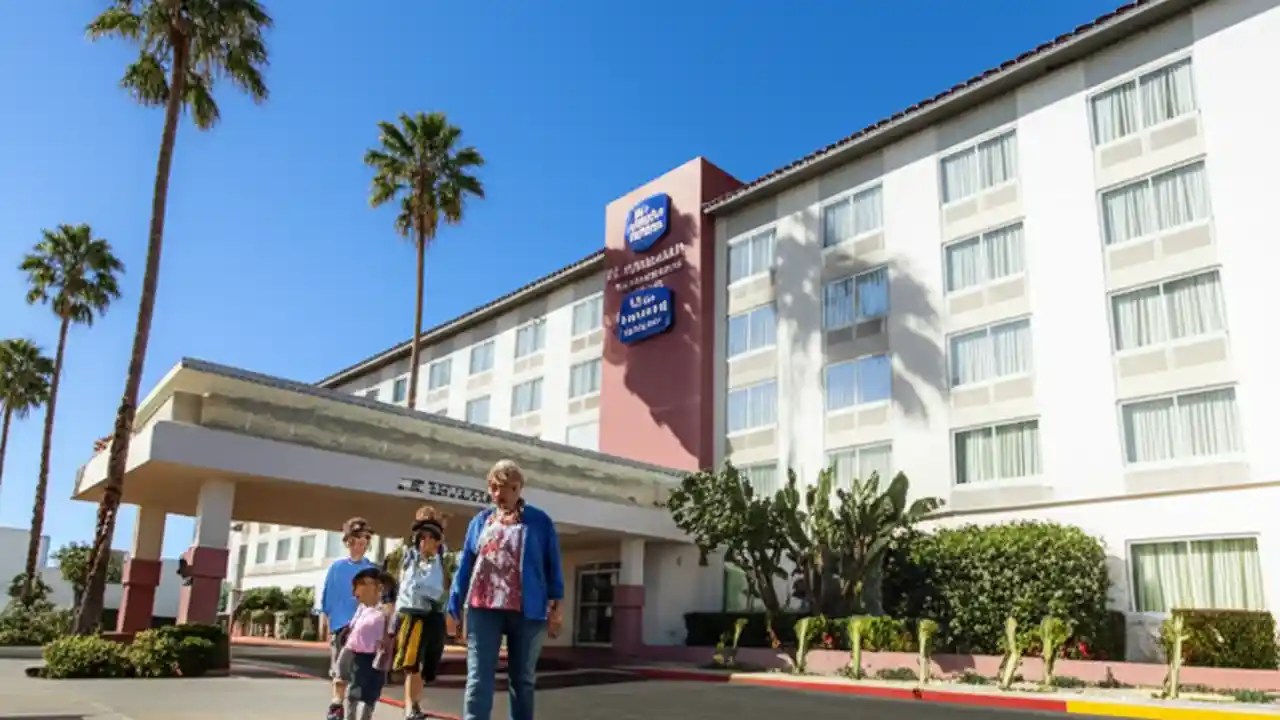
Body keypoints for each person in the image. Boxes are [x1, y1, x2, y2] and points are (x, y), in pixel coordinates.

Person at [449, 459, 565, 720]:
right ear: (490, 489)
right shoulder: (480, 521)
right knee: (478, 678)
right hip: (483, 609)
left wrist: (556, 604)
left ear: (519, 488)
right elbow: (466, 565)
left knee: (522, 679)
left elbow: (552, 564)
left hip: (527, 610)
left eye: (508, 487)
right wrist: (454, 604)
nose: (501, 494)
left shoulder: (539, 522)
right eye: (495, 487)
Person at [391, 505, 453, 720]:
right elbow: (399, 583)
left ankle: (416, 700)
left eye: (431, 536)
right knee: (412, 663)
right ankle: (411, 706)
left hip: (435, 615)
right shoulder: (407, 556)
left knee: (429, 664)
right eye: (422, 536)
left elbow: (448, 587)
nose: (426, 540)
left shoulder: (445, 560)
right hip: (413, 612)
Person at [320, 517, 380, 720]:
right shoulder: (336, 568)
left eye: (365, 541)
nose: (361, 545)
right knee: (340, 670)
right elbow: (326, 600)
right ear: (348, 542)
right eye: (357, 541)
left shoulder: (372, 570)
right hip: (341, 627)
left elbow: (378, 602)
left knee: (361, 674)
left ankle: (360, 713)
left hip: (364, 629)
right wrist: (328, 624)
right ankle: (336, 707)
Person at [337, 566, 394, 720]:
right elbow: (352, 632)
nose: (356, 594)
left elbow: (391, 633)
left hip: (376, 657)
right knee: (354, 693)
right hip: (357, 655)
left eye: (359, 586)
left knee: (371, 693)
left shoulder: (386, 610)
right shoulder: (362, 608)